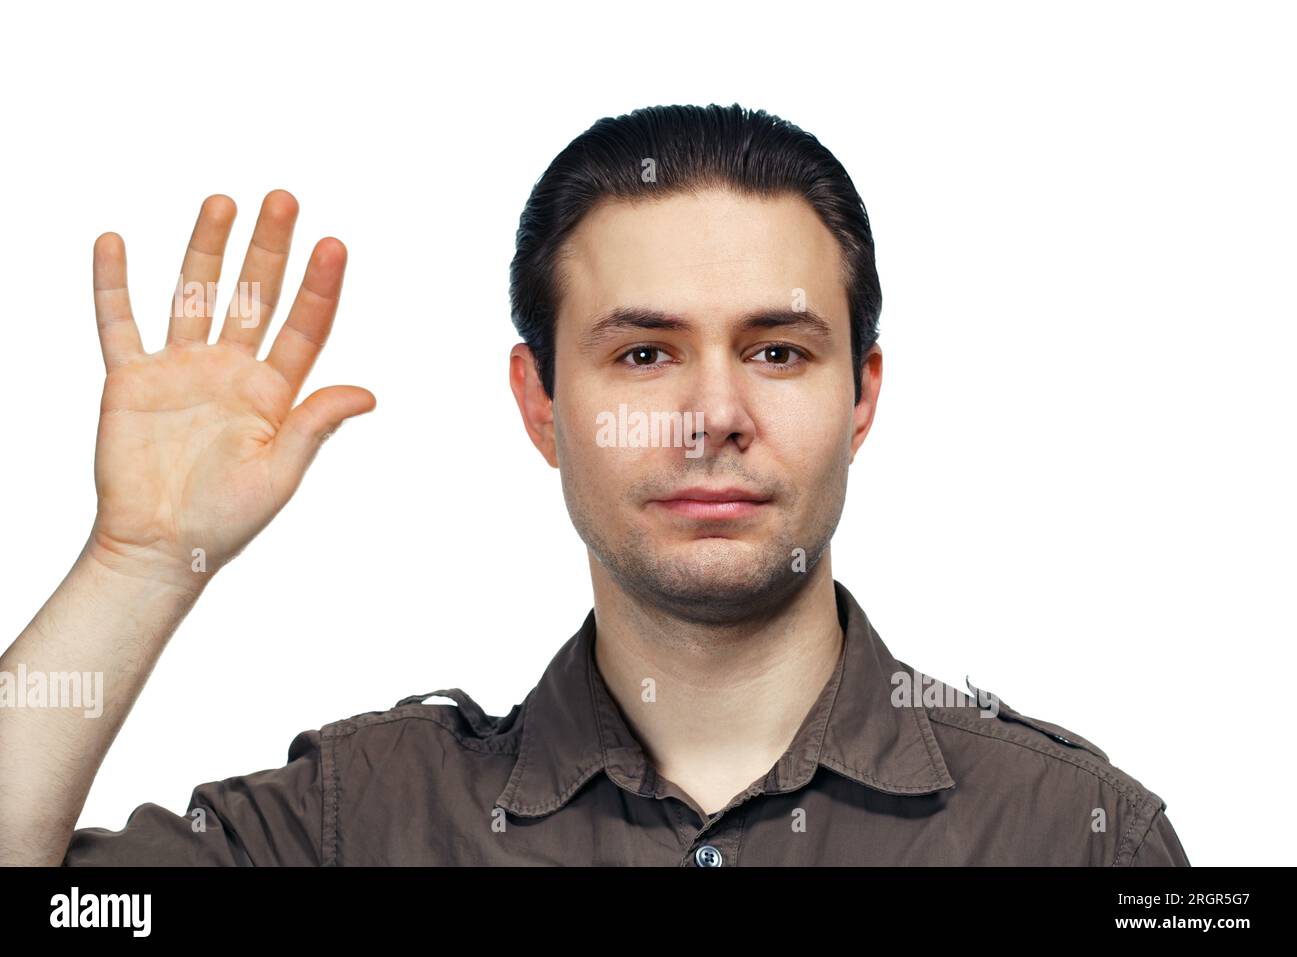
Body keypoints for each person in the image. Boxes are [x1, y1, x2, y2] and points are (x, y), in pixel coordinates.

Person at [0, 103, 1190, 866]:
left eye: (777, 352)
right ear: (541, 404)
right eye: (642, 354)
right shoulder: (355, 826)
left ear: (862, 395)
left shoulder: (1079, 840)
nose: (715, 416)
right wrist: (141, 561)